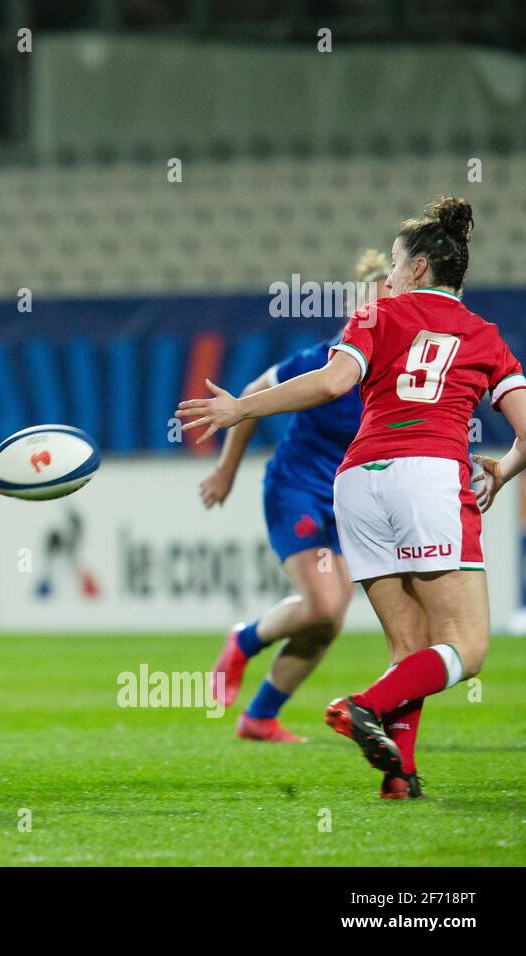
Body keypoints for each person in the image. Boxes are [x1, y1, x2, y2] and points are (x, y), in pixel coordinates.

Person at [179, 197, 526, 798]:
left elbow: (332, 383)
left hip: (358, 482)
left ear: (418, 268)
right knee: (466, 649)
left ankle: (399, 775)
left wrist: (240, 406)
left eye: (393, 264)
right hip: (429, 477)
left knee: (408, 644)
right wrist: (504, 471)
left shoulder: (374, 319)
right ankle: (362, 705)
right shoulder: (483, 335)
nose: (386, 277)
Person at [198, 250, 389, 742]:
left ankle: (259, 717)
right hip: (297, 489)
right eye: (375, 301)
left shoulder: (396, 375)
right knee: (325, 604)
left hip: (351, 504)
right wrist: (226, 470)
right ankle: (243, 640)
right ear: (356, 309)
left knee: (328, 620)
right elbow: (246, 402)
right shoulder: (321, 361)